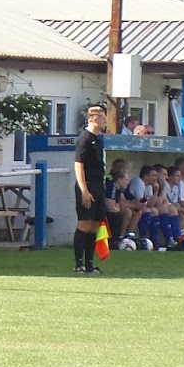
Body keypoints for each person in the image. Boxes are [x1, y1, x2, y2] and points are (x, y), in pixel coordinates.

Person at [73, 106, 108, 274]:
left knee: (95, 225)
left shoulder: (98, 139)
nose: (105, 121)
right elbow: (78, 165)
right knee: (84, 224)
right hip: (87, 185)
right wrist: (84, 190)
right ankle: (78, 263)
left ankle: (89, 263)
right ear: (93, 119)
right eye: (102, 118)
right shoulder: (84, 139)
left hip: (98, 186)